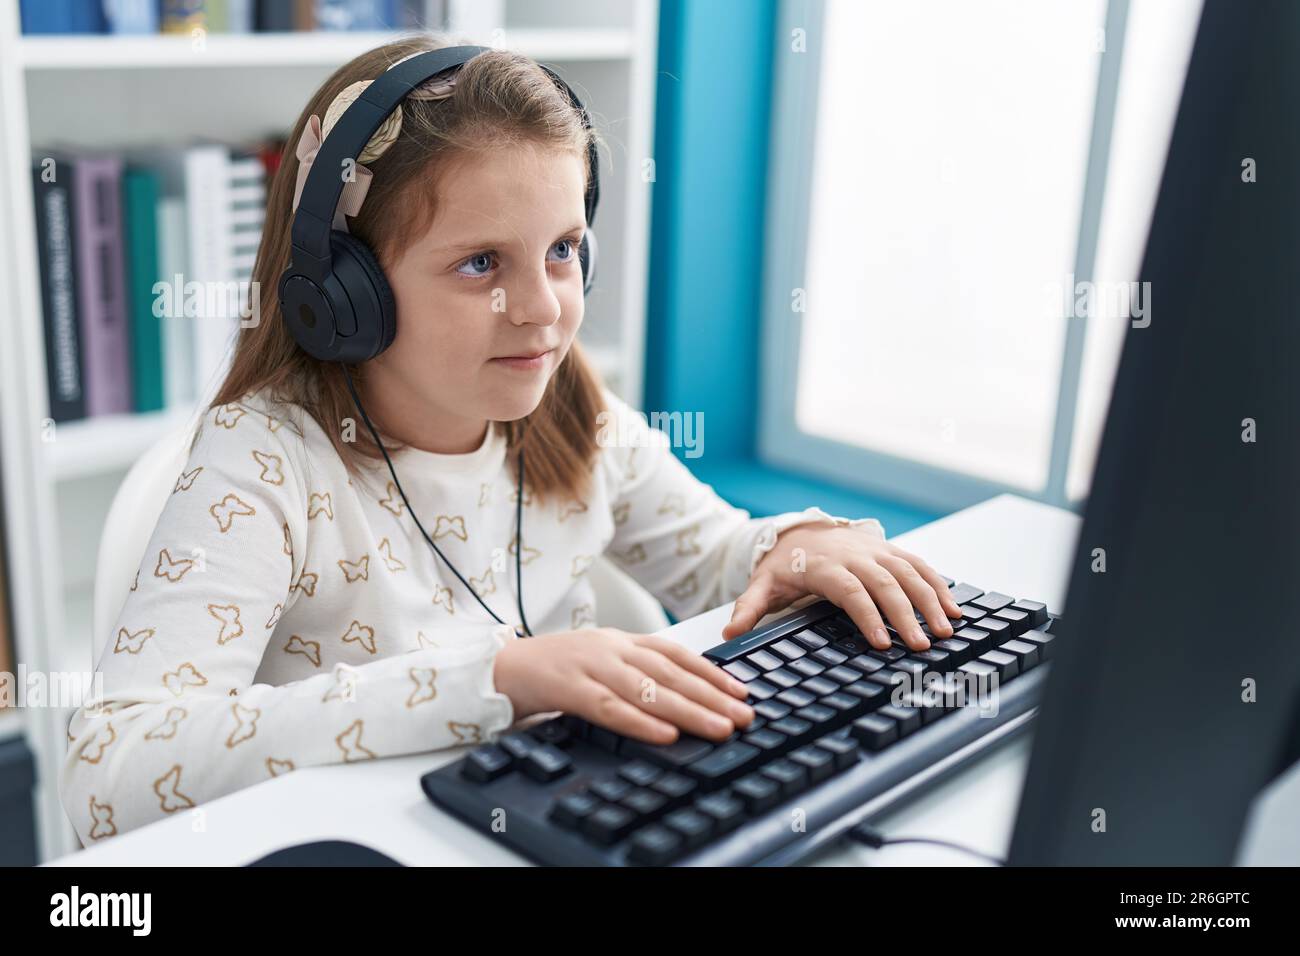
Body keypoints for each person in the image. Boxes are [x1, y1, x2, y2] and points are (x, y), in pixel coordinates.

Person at [59, 35, 961, 846]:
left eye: (564, 249)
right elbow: (110, 771)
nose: (542, 311)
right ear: (346, 293)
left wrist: (791, 546)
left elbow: (715, 556)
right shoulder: (263, 461)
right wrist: (493, 679)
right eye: (481, 263)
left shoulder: (570, 406)